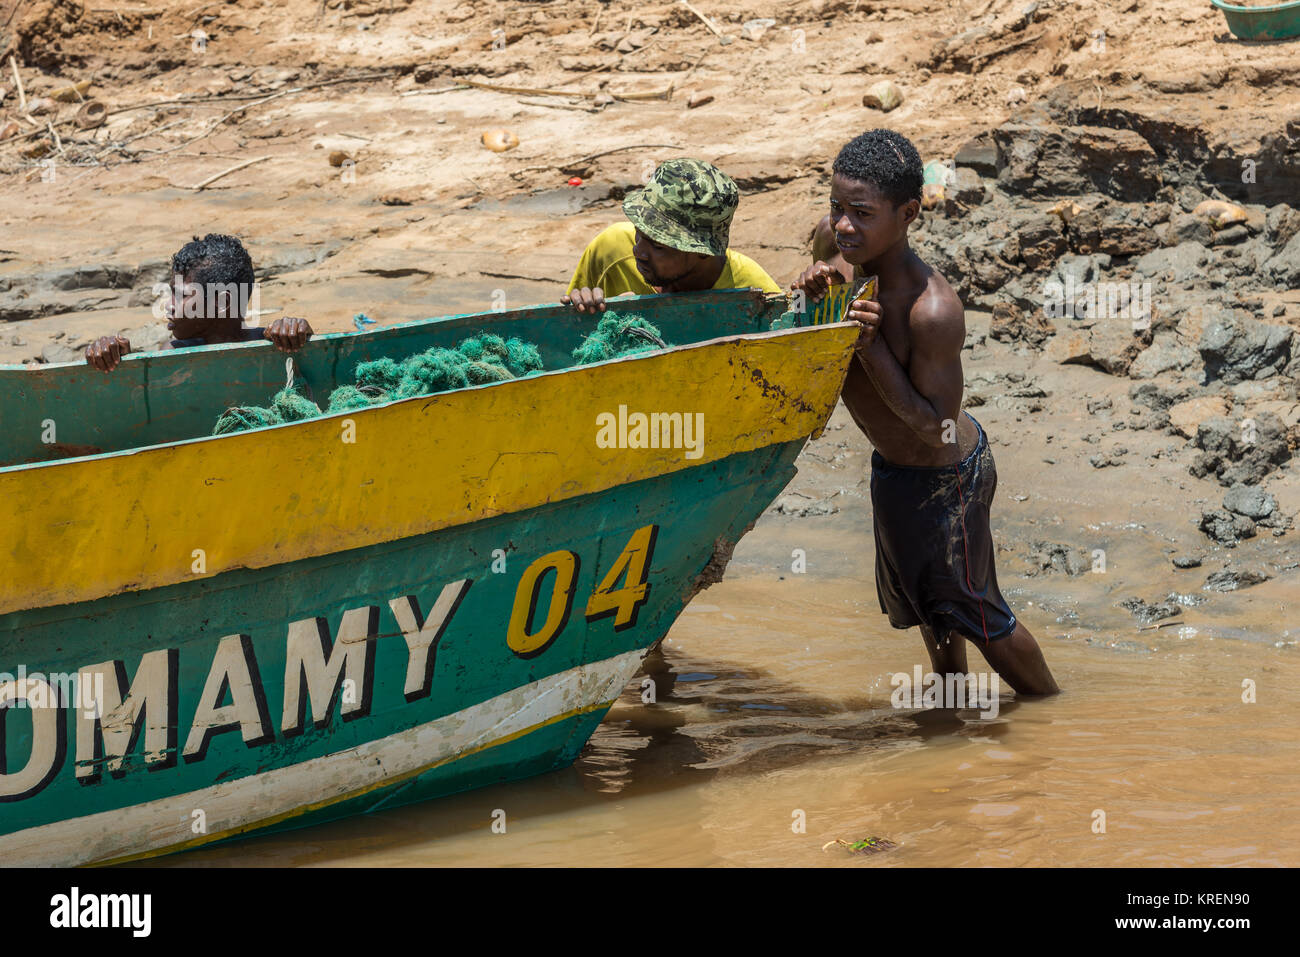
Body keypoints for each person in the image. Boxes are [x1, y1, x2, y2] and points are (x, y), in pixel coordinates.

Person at [791, 129, 1059, 696]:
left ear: (909, 212)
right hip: (894, 468)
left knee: (977, 611)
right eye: (837, 207)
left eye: (861, 214)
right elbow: (815, 278)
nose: (843, 226)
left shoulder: (929, 310)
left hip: (946, 475)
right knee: (927, 600)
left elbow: (935, 426)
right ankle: (951, 703)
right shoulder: (834, 244)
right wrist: (812, 282)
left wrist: (872, 348)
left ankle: (1048, 707)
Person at [562, 158, 782, 313]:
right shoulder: (611, 249)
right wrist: (583, 318)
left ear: (702, 251)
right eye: (639, 233)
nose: (638, 251)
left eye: (658, 246)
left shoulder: (754, 296)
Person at [85, 233, 313, 372]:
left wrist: (297, 333)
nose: (168, 305)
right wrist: (121, 362)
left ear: (222, 302)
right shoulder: (174, 355)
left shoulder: (276, 343)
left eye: (182, 295)